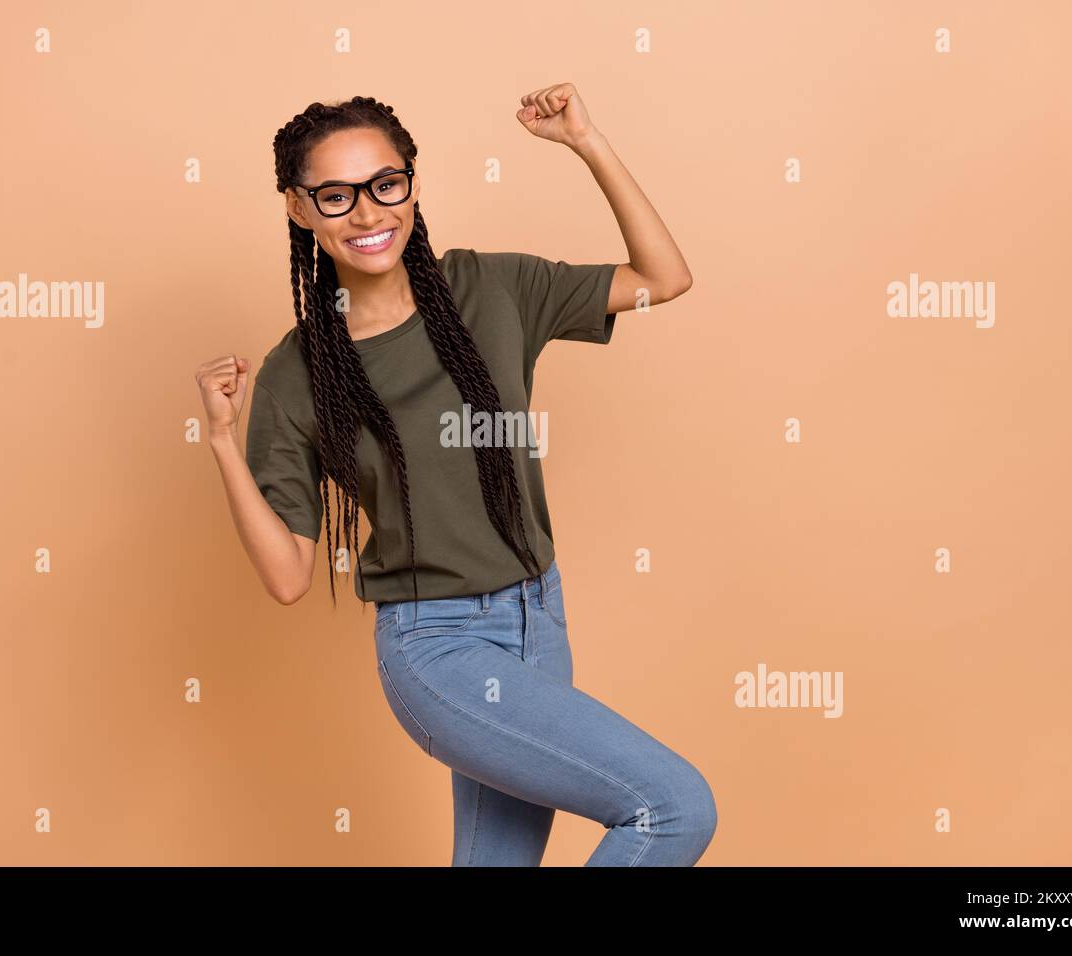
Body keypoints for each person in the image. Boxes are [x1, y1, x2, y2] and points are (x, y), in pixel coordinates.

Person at [196, 85, 716, 865]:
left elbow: (663, 277)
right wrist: (220, 440)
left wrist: (587, 141)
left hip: (538, 621)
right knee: (671, 808)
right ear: (299, 210)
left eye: (385, 184)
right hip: (439, 649)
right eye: (335, 196)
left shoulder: (492, 289)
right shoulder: (297, 372)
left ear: (410, 182)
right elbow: (286, 576)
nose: (368, 215)